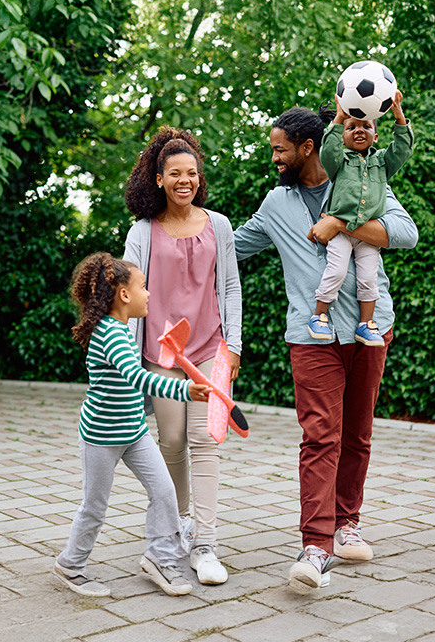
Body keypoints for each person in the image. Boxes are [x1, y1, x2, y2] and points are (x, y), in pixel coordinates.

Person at [233, 105, 418, 590]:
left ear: (307, 147)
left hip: (369, 329)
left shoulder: (362, 180)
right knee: (320, 437)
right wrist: (175, 225)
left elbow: (405, 233)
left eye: (280, 150)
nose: (274, 158)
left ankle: (346, 523)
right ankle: (316, 545)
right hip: (311, 337)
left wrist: (340, 223)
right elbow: (229, 246)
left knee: (357, 435)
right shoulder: (276, 203)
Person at [53, 252, 211, 598]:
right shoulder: (110, 334)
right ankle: (70, 564)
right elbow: (137, 377)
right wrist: (184, 389)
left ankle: (160, 558)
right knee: (94, 507)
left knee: (164, 492)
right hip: (101, 436)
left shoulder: (123, 329)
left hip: (134, 431)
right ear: (124, 294)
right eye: (143, 287)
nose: (148, 293)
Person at [124, 127, 242, 585]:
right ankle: (180, 526)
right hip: (162, 355)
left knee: (205, 441)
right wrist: (126, 358)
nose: (184, 181)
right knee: (171, 441)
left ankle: (206, 544)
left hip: (210, 349)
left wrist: (234, 345)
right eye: (175, 173)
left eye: (191, 173)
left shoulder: (219, 225)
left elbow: (229, 287)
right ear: (158, 179)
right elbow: (128, 295)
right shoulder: (142, 232)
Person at [309, 90, 414, 347]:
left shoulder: (382, 163)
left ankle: (366, 325)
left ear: (375, 136)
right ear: (343, 136)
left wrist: (399, 116)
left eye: (366, 126)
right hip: (341, 233)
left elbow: (402, 149)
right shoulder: (338, 164)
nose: (359, 130)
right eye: (351, 127)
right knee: (336, 271)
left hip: (367, 234)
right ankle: (319, 315)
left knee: (369, 278)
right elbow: (328, 151)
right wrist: (339, 117)